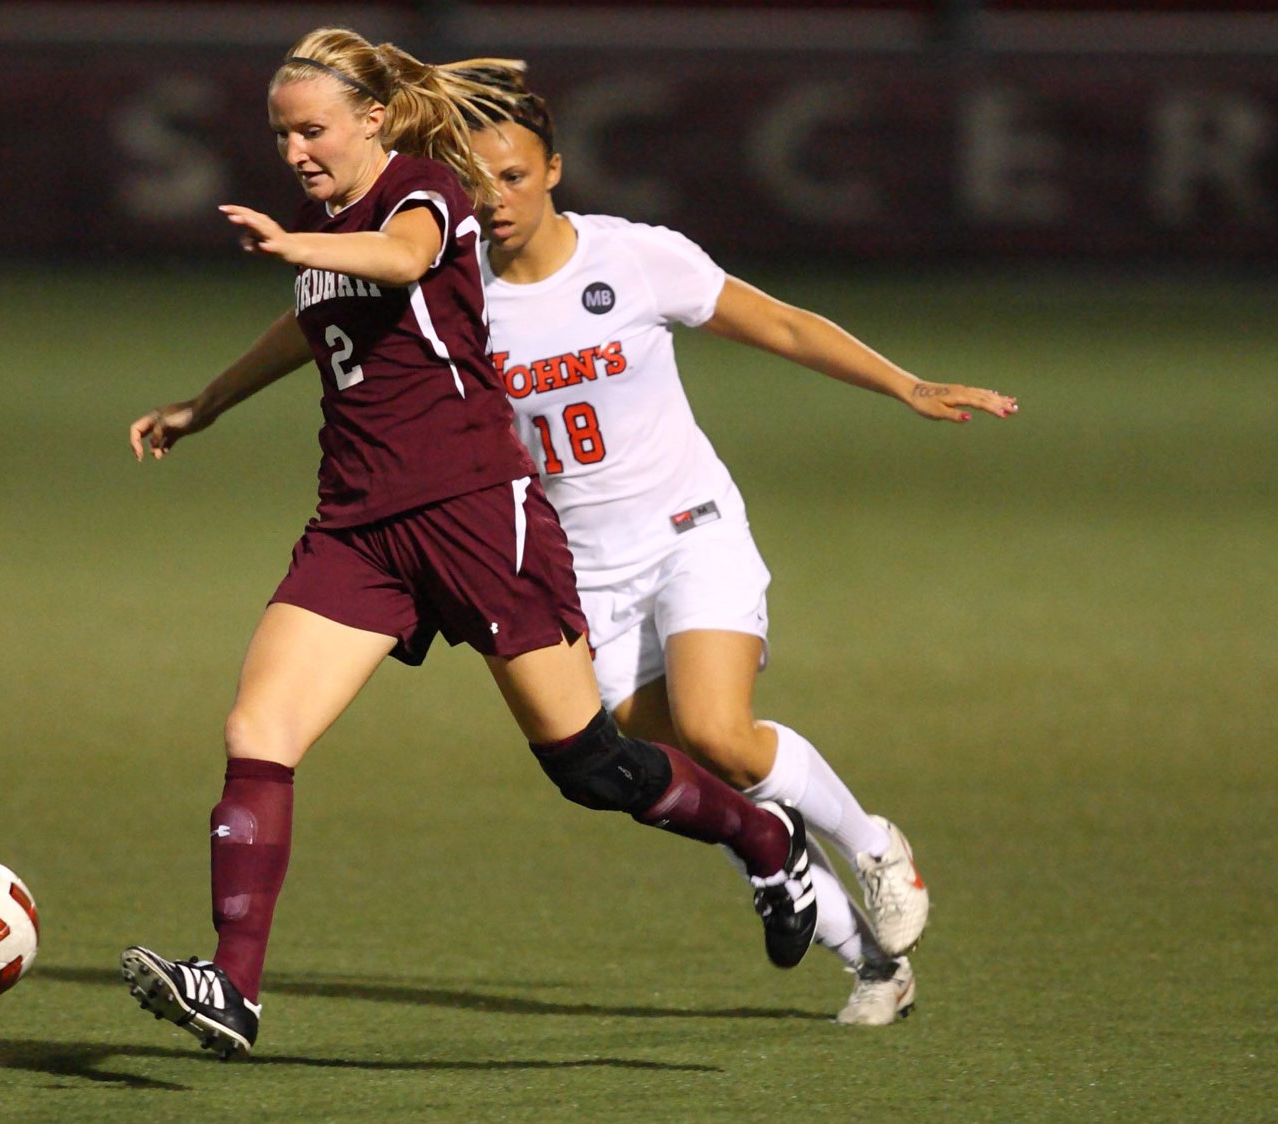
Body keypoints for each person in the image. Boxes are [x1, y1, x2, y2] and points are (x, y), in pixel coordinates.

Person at [117, 28, 838, 1060]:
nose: (294, 151)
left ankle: (763, 836)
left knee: (587, 764)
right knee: (257, 728)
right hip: (358, 524)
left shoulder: (424, 192)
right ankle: (233, 987)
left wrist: (297, 246)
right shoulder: (328, 229)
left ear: (372, 119)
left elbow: (402, 258)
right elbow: (309, 323)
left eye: (311, 130)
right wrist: (208, 402)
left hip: (474, 510)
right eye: (280, 135)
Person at [462, 75, 1019, 1026]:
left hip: (690, 530)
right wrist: (220, 396)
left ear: (552, 169)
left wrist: (905, 384)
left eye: (513, 175)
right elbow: (325, 323)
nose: (495, 198)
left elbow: (784, 323)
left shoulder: (634, 258)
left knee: (718, 730)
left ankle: (874, 845)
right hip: (580, 575)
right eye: (476, 182)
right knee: (701, 782)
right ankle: (875, 964)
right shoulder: (451, 288)